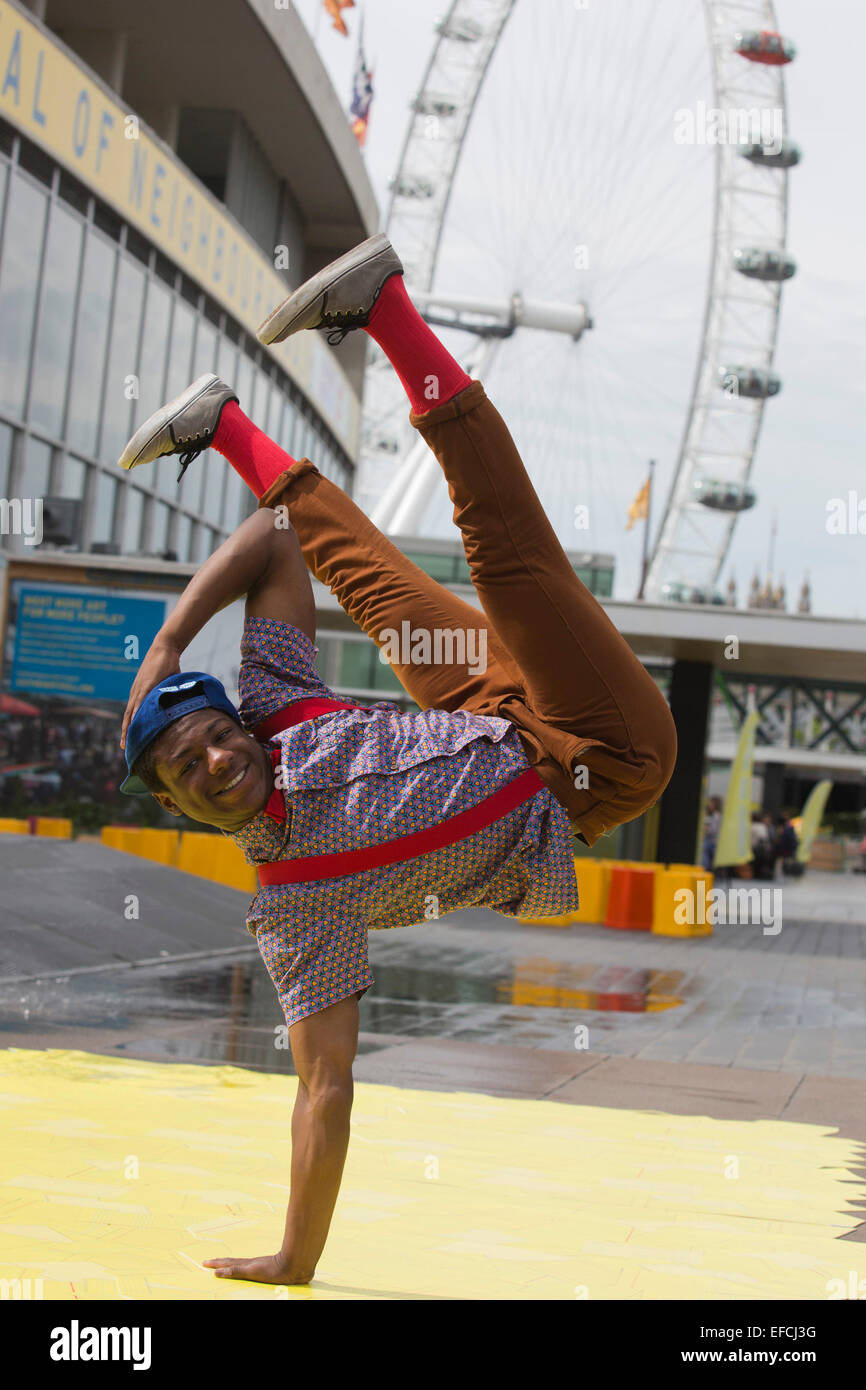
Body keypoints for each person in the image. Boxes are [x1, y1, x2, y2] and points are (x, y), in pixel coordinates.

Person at [115, 233, 677, 1286]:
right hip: (595, 762)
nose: (215, 762)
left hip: (485, 705)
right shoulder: (293, 910)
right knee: (504, 557)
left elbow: (278, 543)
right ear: (185, 808)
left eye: (213, 738)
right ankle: (385, 313)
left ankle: (225, 421)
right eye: (191, 772)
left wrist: (168, 642)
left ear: (240, 724)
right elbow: (323, 1090)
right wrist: (293, 1256)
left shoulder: (278, 708)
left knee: (369, 578)